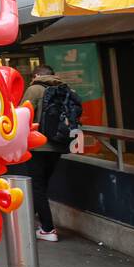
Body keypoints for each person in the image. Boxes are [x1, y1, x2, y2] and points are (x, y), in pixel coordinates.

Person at [21, 64, 82, 242]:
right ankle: (32, 221)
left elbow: (23, 115)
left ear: (37, 75)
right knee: (42, 185)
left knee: (37, 187)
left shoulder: (34, 90)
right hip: (58, 145)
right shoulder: (64, 90)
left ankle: (48, 229)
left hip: (38, 146)